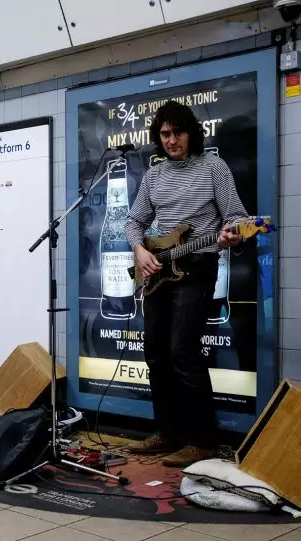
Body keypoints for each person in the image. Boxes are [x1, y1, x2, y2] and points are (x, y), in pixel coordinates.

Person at [125, 100, 247, 468]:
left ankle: (205, 440)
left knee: (182, 351)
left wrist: (234, 235)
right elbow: (134, 222)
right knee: (156, 353)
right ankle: (168, 432)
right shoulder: (154, 176)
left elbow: (238, 218)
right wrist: (139, 251)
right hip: (159, 270)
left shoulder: (214, 167)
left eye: (178, 132)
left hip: (197, 267)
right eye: (165, 134)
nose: (172, 140)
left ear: (192, 132)